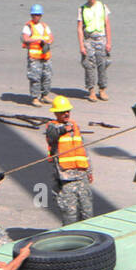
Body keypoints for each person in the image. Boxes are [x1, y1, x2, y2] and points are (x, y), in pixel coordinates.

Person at [45, 95, 94, 224]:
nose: (66, 114)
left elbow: (83, 149)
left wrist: (89, 170)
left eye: (68, 111)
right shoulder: (52, 127)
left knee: (87, 212)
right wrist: (63, 129)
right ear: (56, 113)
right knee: (70, 214)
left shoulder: (74, 126)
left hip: (81, 175)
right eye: (62, 112)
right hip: (66, 178)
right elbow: (52, 135)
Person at [77, 0, 112, 102]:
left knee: (103, 65)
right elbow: (80, 28)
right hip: (89, 39)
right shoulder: (82, 9)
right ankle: (91, 91)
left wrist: (108, 42)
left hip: (101, 39)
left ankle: (102, 90)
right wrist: (81, 45)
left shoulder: (102, 6)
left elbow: (107, 24)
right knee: (89, 66)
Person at [22, 3, 54, 106]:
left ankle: (45, 95)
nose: (36, 17)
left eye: (38, 15)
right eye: (34, 15)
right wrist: (38, 39)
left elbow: (51, 37)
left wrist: (47, 41)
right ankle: (35, 97)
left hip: (45, 56)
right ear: (31, 15)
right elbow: (26, 38)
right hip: (34, 58)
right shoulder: (28, 26)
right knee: (35, 78)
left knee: (47, 77)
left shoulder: (44, 26)